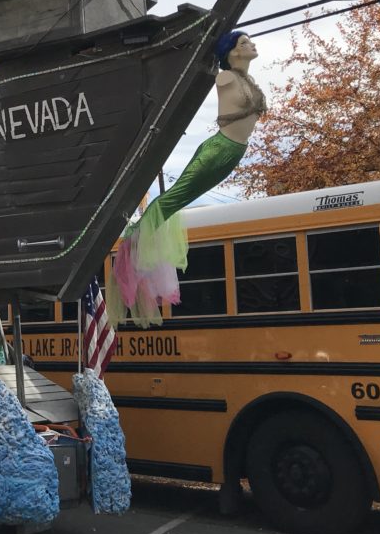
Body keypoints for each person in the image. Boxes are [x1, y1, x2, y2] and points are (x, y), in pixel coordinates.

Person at [107, 30, 266, 324]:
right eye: (244, 43)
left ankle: (138, 244)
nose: (252, 44)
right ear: (231, 53)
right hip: (219, 150)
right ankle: (134, 247)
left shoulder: (245, 81)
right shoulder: (226, 78)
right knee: (172, 199)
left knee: (176, 201)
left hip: (234, 154)